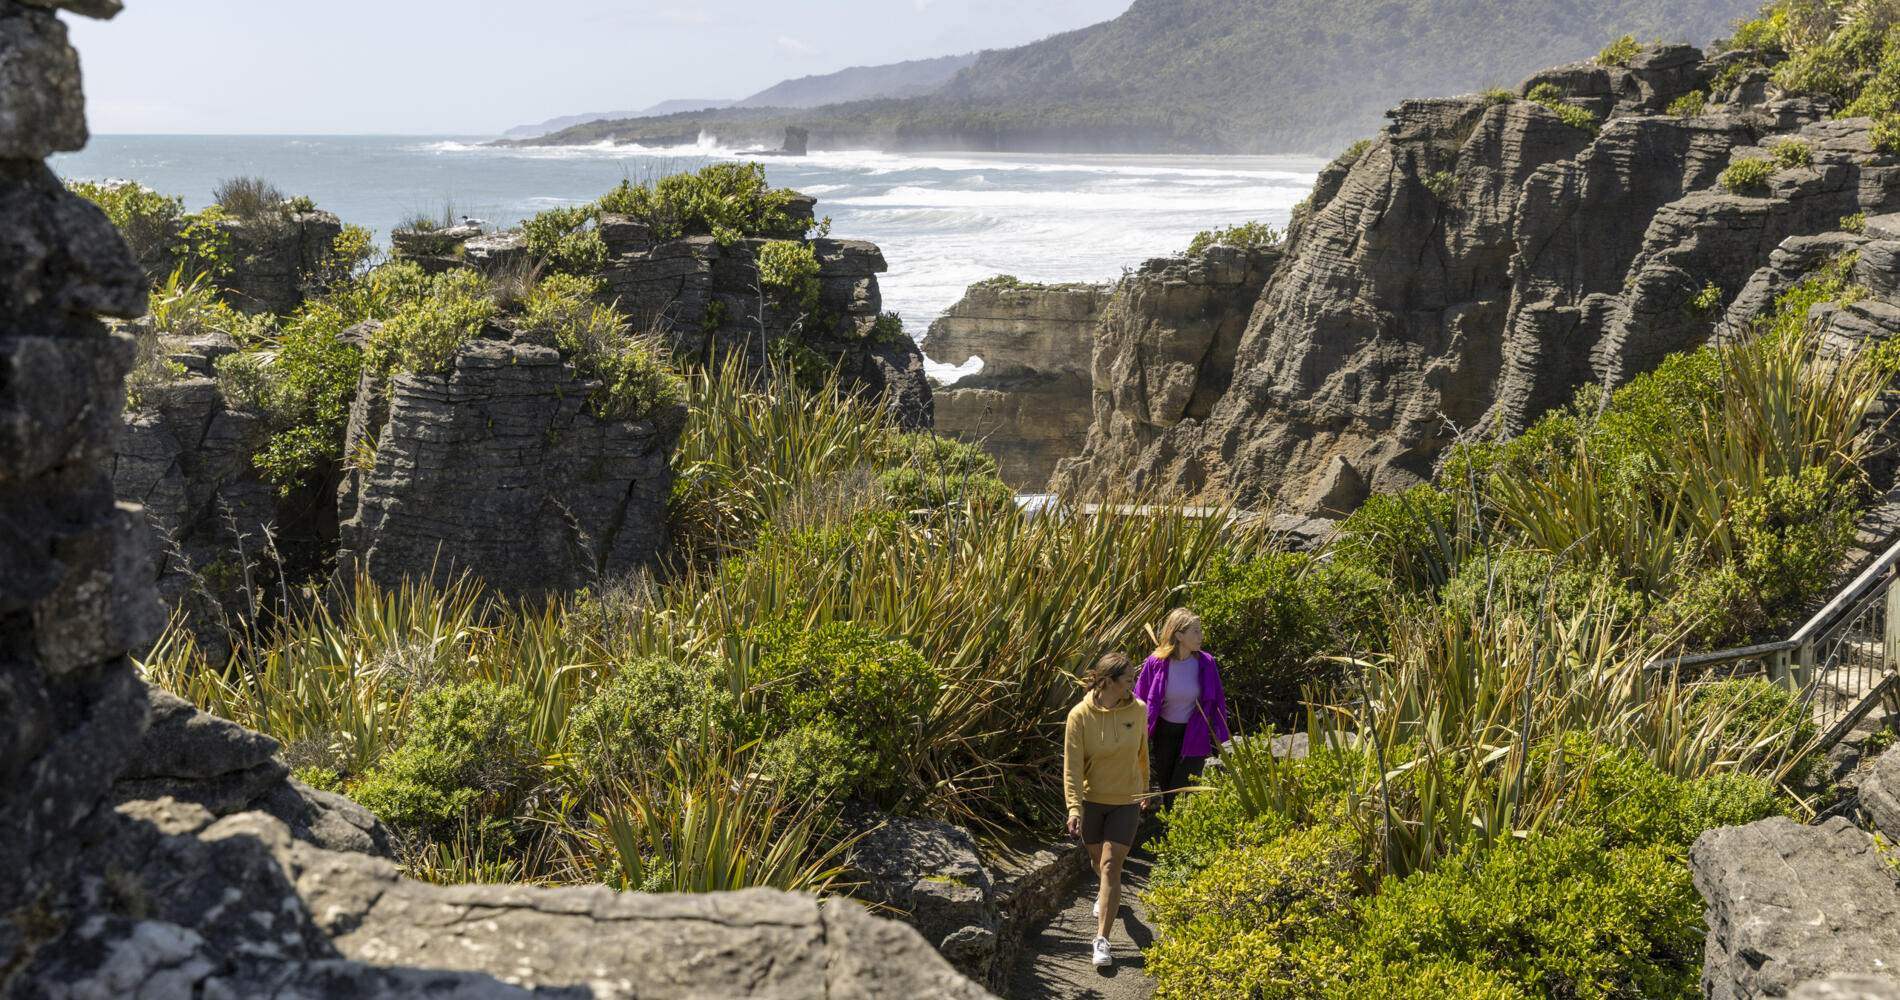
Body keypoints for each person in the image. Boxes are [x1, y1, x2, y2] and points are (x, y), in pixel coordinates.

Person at [1063, 652, 1151, 968]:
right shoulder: (1079, 716)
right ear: (1108, 681)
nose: (1134, 683)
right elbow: (1071, 768)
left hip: (1126, 800)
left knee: (1112, 866)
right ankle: (1107, 895)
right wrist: (1074, 808)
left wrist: (1145, 787)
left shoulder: (1138, 710)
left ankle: (1102, 940)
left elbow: (1142, 752)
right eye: (1128, 678)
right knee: (1098, 861)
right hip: (1091, 802)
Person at [1134, 608, 1230, 810]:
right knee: (1167, 788)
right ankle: (1171, 836)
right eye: (1195, 631)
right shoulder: (1156, 662)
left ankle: (1175, 834)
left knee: (1182, 791)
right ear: (1179, 635)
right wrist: (1132, 734)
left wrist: (1223, 740)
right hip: (1164, 733)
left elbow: (1218, 702)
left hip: (1195, 732)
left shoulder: (1206, 663)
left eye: (1200, 630)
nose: (1201, 636)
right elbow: (1139, 698)